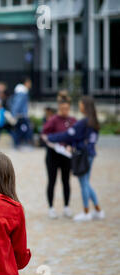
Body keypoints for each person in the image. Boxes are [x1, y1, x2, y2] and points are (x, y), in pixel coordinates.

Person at [42, 96, 105, 222]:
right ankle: (98, 210)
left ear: (85, 107)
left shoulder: (82, 122)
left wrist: (51, 138)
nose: (79, 106)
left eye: (81, 104)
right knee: (86, 182)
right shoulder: (93, 121)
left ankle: (86, 212)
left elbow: (68, 135)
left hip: (82, 155)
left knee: (84, 183)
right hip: (89, 154)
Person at [41, 91, 77, 219]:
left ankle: (66, 206)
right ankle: (51, 207)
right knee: (52, 180)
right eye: (63, 108)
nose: (65, 111)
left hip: (66, 155)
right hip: (53, 155)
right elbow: (44, 135)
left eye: (67, 108)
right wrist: (54, 144)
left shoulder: (73, 120)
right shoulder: (53, 120)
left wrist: (71, 146)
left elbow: (76, 137)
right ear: (59, 108)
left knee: (66, 181)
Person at [0, 81, 15, 148]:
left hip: (5, 116)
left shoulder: (7, 95)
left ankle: (16, 143)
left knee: (9, 131)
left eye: (1, 86)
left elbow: (9, 105)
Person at [11, 78, 33, 149]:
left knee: (19, 129)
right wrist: (15, 114)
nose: (30, 85)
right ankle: (21, 144)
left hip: (20, 115)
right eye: (29, 83)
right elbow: (18, 104)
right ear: (26, 83)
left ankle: (17, 145)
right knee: (26, 129)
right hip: (21, 115)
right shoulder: (22, 92)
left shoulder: (21, 92)